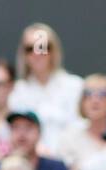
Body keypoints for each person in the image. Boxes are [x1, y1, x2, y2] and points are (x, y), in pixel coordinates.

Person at [7, 23, 84, 154]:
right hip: (32, 162)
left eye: (43, 46)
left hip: (73, 158)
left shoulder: (75, 86)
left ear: (54, 51)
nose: (38, 54)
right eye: (31, 48)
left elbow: (82, 128)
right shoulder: (16, 91)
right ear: (23, 54)